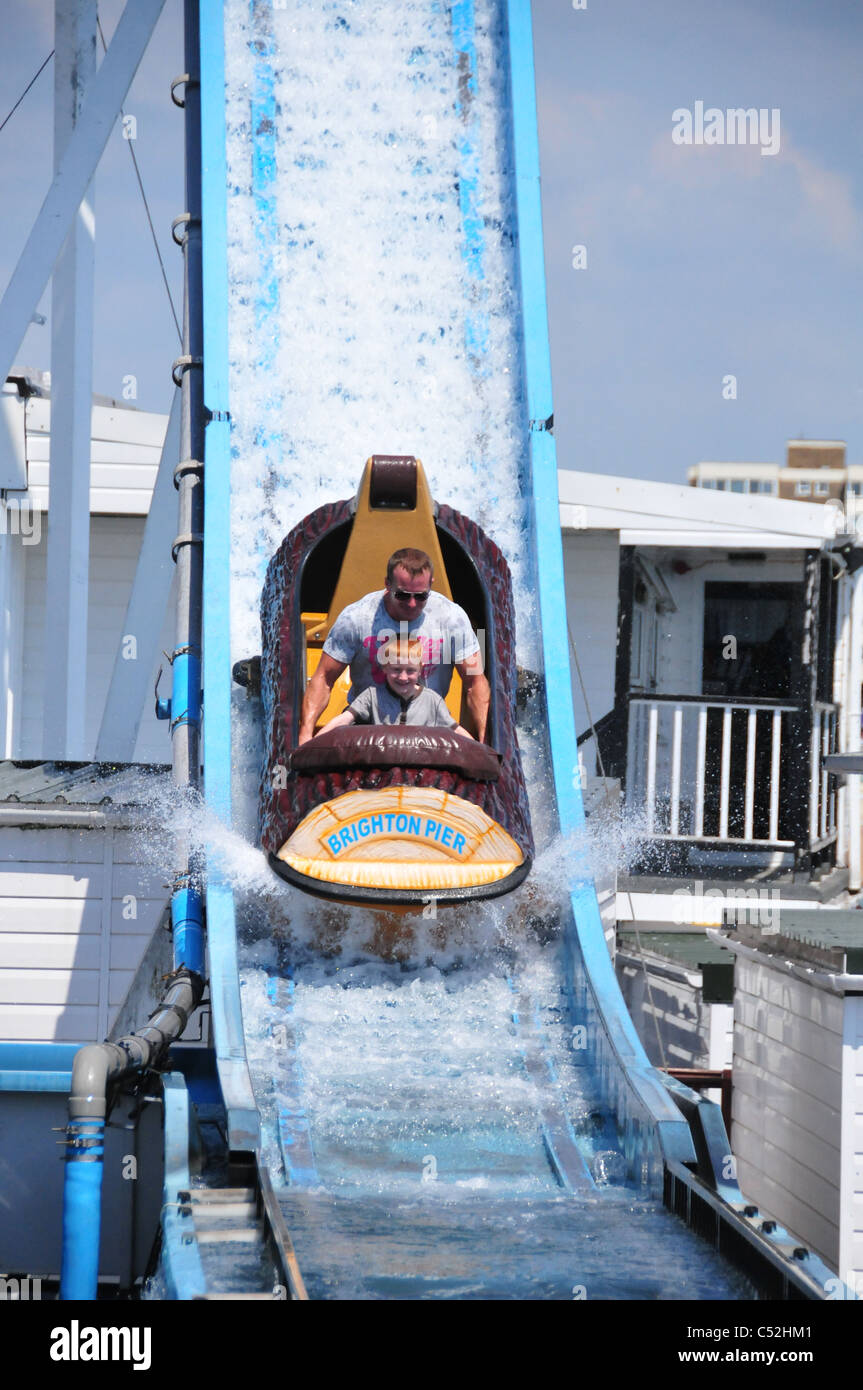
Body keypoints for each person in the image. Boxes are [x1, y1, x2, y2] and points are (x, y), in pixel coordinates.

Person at [297, 546, 490, 743]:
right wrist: (305, 735)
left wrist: (484, 741)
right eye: (403, 595)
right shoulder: (356, 618)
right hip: (367, 724)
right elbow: (324, 677)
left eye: (421, 596)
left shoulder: (452, 618)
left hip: (428, 724)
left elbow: (475, 681)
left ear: (431, 585)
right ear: (388, 585)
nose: (412, 604)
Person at [314, 636, 474, 736]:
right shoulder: (371, 696)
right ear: (385, 668)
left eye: (410, 670)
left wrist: (479, 752)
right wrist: (312, 744)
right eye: (396, 670)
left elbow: (456, 730)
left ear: (420, 669)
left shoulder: (432, 701)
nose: (403, 677)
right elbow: (343, 720)